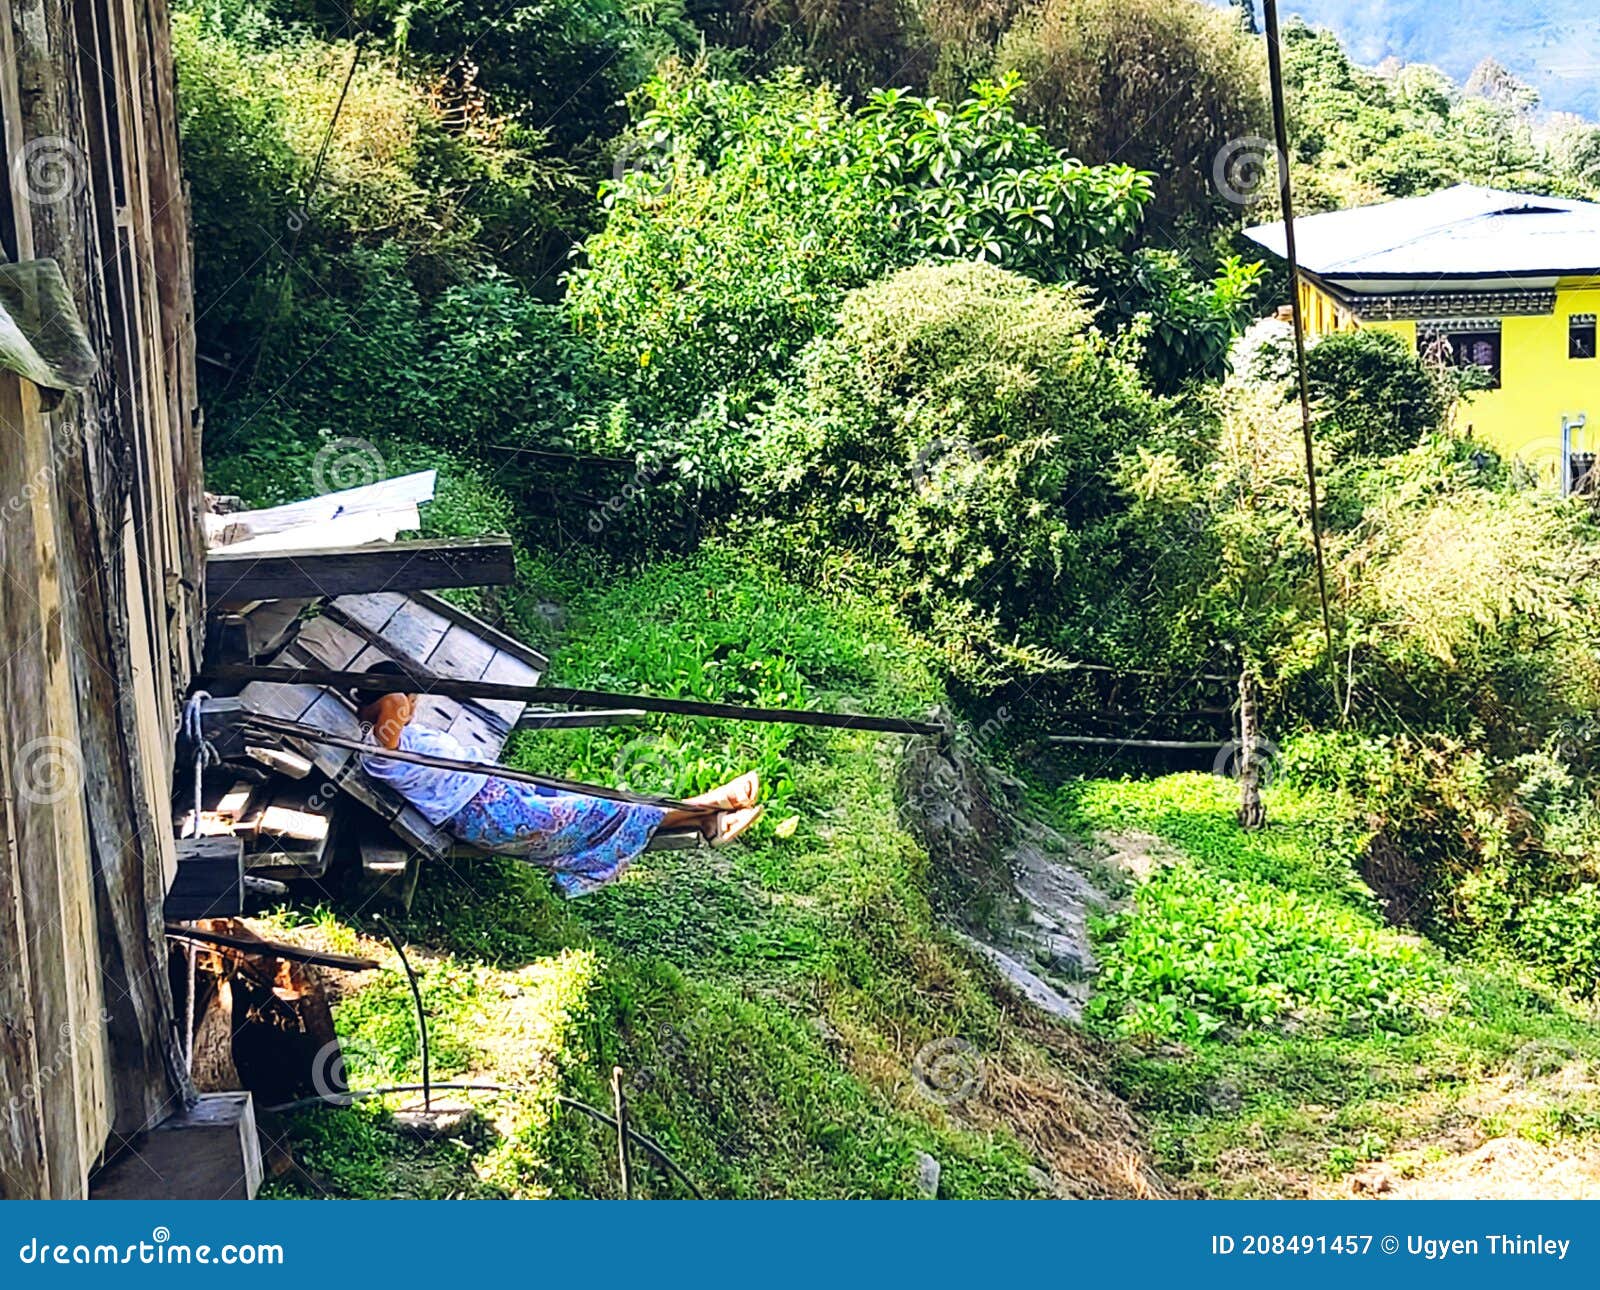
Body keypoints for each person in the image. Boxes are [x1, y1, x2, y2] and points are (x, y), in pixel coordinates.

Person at [351, 663, 762, 897]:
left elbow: (397, 713)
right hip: (491, 816)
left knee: (599, 797)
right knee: (609, 809)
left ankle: (707, 821)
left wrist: (397, 697)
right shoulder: (380, 750)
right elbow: (391, 717)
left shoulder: (398, 738)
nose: (412, 707)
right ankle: (713, 802)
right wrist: (390, 697)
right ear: (387, 706)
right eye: (406, 701)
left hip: (503, 794)